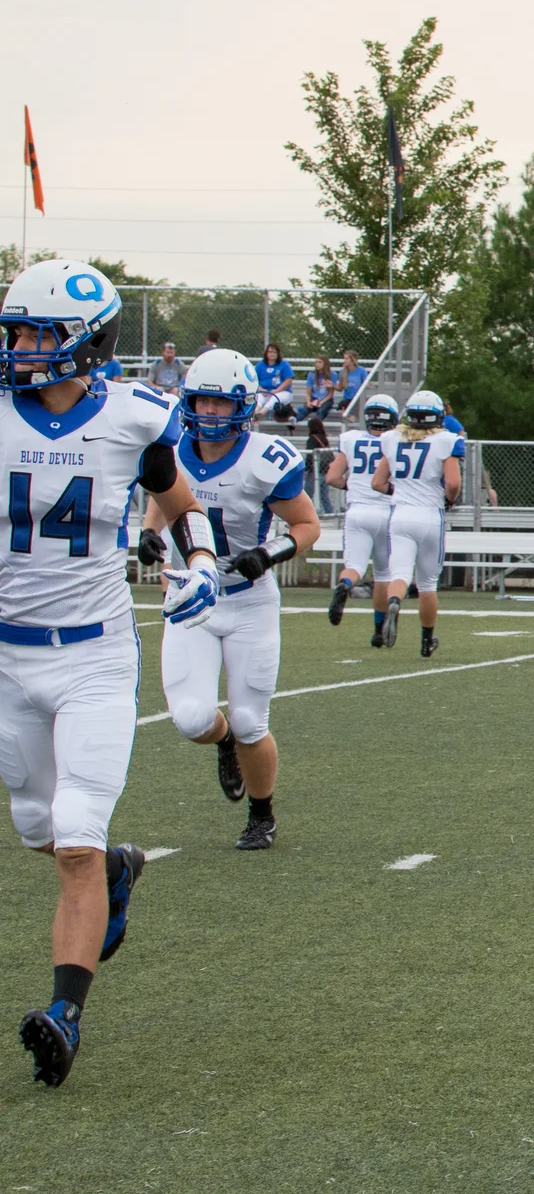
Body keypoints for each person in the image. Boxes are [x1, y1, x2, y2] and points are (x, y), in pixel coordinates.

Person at [0, 261, 220, 1087]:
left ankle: (63, 1015)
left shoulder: (133, 415)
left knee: (76, 830)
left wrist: (199, 557)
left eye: (30, 335)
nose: (16, 348)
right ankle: (121, 872)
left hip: (93, 652)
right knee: (38, 826)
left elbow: (178, 496)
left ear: (83, 343)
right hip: (6, 654)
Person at [141, 348, 318, 853]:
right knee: (193, 718)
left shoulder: (265, 460)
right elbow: (163, 498)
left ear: (243, 407)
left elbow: (308, 526)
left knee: (249, 721)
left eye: (221, 404)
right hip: (190, 596)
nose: (210, 413)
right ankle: (224, 746)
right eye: (202, 401)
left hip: (249, 601)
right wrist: (149, 534)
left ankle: (261, 812)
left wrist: (269, 552)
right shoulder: (170, 447)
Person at [373, 390, 462, 658]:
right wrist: (449, 500)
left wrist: (400, 492)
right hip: (429, 515)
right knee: (427, 584)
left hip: (400, 514)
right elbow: (453, 483)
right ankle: (426, 640)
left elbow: (377, 482)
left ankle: (394, 601)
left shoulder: (391, 439)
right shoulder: (447, 441)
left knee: (399, 574)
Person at [325, 393, 400, 638]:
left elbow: (332, 477)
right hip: (387, 512)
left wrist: (354, 486)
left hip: (357, 511)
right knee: (383, 576)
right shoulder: (396, 440)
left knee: (354, 567)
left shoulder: (351, 439)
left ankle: (345, 586)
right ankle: (378, 631)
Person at [255, 342, 295, 429]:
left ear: (278, 353)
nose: (272, 354)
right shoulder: (260, 365)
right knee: (258, 398)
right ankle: (256, 412)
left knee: (275, 397)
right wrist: (261, 389)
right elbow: (254, 380)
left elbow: (289, 380)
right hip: (264, 392)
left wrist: (277, 390)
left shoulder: (284, 364)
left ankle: (262, 412)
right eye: (269, 352)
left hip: (282, 392)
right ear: (266, 353)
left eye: (274, 352)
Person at [303, 355, 337, 452]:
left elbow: (331, 393)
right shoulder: (312, 375)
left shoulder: (332, 375)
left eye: (320, 362)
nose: (317, 364)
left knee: (321, 411)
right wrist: (309, 402)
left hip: (325, 400)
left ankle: (318, 432)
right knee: (303, 409)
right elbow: (308, 392)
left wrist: (321, 402)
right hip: (314, 399)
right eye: (316, 362)